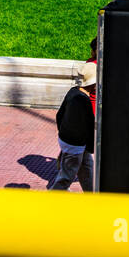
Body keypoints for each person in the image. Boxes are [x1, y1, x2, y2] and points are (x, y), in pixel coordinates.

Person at [50, 62, 97, 191]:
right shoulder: (84, 101)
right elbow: (87, 126)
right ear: (93, 84)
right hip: (76, 145)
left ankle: (91, 196)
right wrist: (91, 146)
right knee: (66, 176)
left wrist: (62, 133)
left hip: (70, 141)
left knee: (86, 168)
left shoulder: (73, 92)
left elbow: (60, 114)